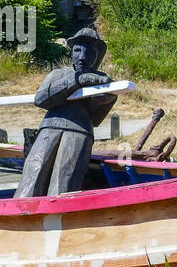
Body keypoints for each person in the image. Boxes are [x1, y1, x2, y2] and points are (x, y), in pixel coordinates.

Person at [13, 27, 117, 198]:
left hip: (79, 132)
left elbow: (96, 118)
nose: (82, 57)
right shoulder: (59, 74)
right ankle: (21, 212)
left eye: (90, 52)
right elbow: (40, 99)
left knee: (64, 178)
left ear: (97, 56)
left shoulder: (103, 80)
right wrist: (76, 81)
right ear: (71, 53)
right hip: (49, 129)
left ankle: (59, 215)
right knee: (34, 170)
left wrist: (105, 97)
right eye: (77, 50)